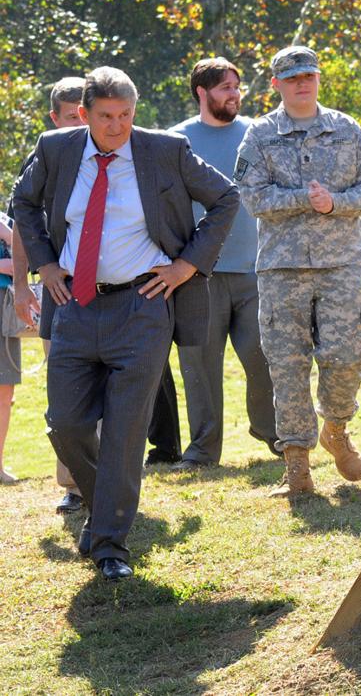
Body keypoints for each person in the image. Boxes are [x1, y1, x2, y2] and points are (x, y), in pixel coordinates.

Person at [12, 66, 238, 580]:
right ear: (84, 115)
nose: (117, 127)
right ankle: (105, 505)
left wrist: (187, 265)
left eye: (126, 115)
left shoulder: (164, 150)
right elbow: (22, 202)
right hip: (73, 304)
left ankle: (111, 543)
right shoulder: (57, 149)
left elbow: (226, 197)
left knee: (125, 428)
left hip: (143, 307)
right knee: (65, 423)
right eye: (106, 117)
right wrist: (44, 265)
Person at [235, 45, 361, 496]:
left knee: (350, 353)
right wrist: (303, 197)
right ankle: (297, 463)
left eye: (309, 76)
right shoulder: (260, 135)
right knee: (287, 364)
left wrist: (335, 203)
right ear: (276, 84)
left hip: (342, 263)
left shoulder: (346, 129)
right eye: (292, 78)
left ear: (319, 79)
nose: (302, 84)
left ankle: (336, 427)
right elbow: (252, 197)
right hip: (282, 267)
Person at [171, 58, 278, 468]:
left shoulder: (257, 134)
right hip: (198, 274)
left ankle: (275, 435)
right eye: (223, 88)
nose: (233, 94)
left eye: (236, 86)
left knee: (263, 355)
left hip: (255, 269)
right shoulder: (176, 140)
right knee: (200, 366)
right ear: (202, 92)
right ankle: (203, 451)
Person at [9, 78, 88, 506]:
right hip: (58, 292)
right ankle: (74, 485)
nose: (82, 121)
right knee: (65, 388)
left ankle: (108, 480)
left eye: (85, 111)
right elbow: (24, 224)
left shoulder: (119, 153)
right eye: (72, 114)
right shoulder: (42, 158)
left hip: (113, 289)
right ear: (54, 118)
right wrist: (23, 287)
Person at [0, 214, 18, 484]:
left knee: (5, 391)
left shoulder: (6, 220)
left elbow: (23, 263)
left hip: (6, 306)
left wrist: (4, 231)